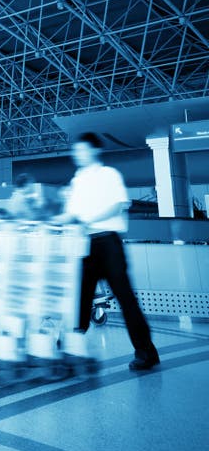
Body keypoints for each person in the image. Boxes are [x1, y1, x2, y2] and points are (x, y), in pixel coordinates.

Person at [56, 133, 159, 371]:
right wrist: (49, 219)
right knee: (80, 299)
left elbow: (118, 204)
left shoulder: (109, 175)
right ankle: (72, 349)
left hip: (108, 243)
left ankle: (146, 352)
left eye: (80, 150)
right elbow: (71, 214)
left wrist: (88, 220)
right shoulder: (77, 180)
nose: (76, 154)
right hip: (86, 245)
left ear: (93, 151)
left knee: (125, 298)